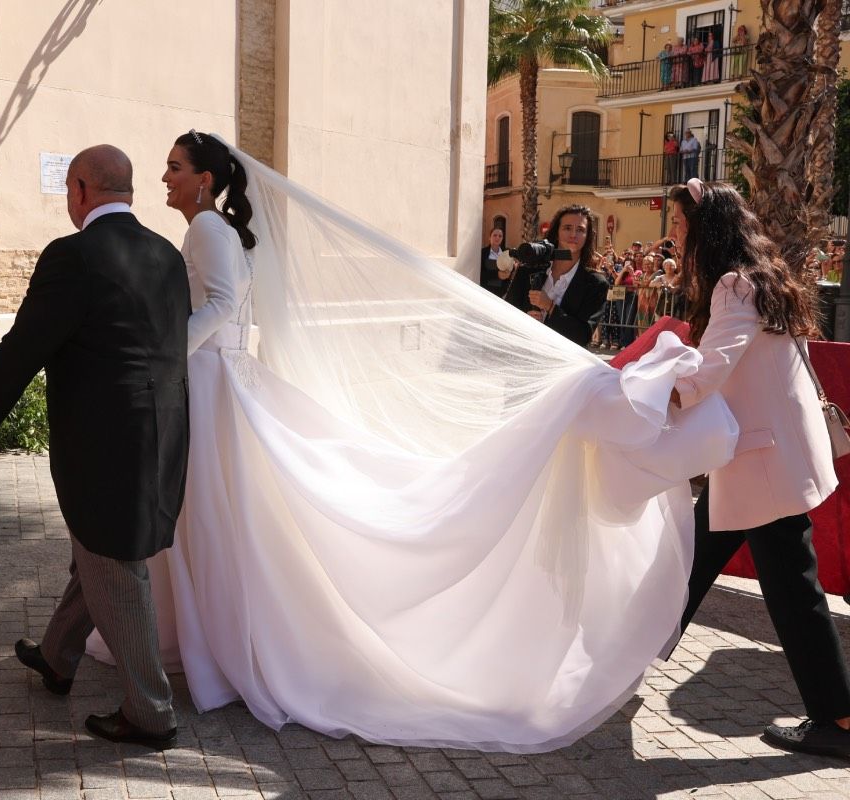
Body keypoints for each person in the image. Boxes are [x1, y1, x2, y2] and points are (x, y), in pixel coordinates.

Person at [76, 132, 738, 753]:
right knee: (206, 514)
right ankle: (162, 633)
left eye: (174, 166)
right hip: (212, 375)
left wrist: (168, 349)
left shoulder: (207, 227)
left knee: (222, 514)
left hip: (210, 374)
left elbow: (221, 305)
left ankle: (208, 641)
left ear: (204, 181)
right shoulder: (210, 226)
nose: (164, 176)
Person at [0, 144, 190, 751]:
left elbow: (25, 345)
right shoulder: (166, 253)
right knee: (98, 553)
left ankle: (151, 713)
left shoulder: (73, 256)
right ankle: (58, 659)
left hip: (105, 441)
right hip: (163, 433)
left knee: (114, 566)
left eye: (69, 191)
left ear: (82, 190)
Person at [667, 178, 850, 758]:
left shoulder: (733, 285)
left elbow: (706, 373)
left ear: (707, 231)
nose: (674, 235)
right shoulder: (758, 279)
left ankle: (839, 720)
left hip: (762, 462)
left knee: (794, 590)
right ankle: (628, 660)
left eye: (680, 225)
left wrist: (644, 390)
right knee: (689, 562)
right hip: (759, 457)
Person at [501, 205, 609, 348]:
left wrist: (550, 307)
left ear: (587, 236)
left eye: (580, 230)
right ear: (557, 232)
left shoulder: (595, 284)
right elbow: (506, 317)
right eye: (567, 228)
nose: (573, 235)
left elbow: (582, 336)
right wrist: (525, 321)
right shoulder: (527, 271)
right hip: (525, 355)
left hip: (566, 363)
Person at [479, 226, 508, 296]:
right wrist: (497, 274)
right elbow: (479, 273)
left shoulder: (506, 253)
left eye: (500, 236)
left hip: (502, 293)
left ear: (502, 239)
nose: (497, 238)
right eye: (495, 235)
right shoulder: (482, 253)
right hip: (485, 292)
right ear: (489, 238)